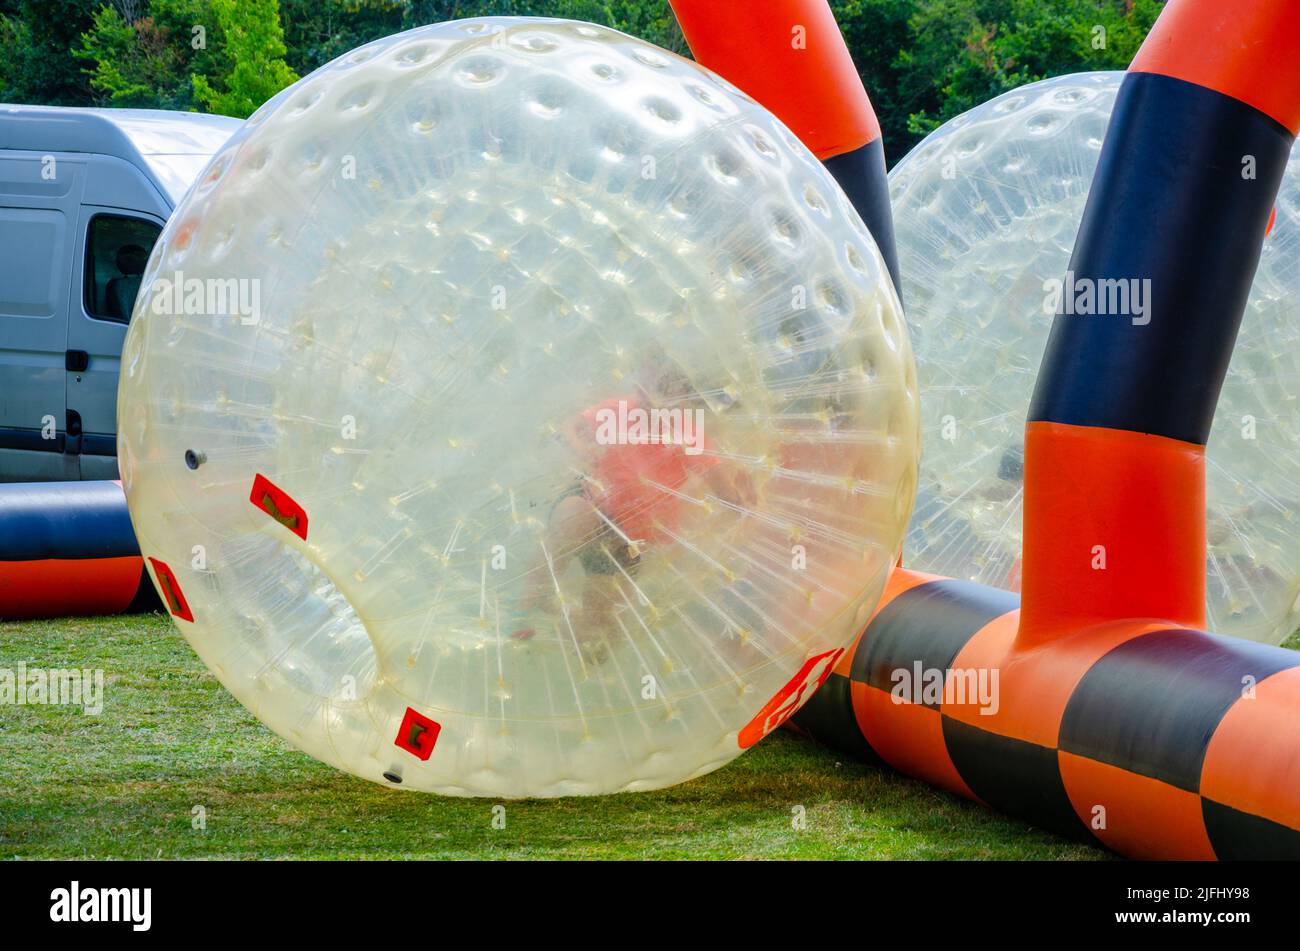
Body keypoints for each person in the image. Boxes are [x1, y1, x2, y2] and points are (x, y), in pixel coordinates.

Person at [510, 385, 755, 666]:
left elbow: (725, 495)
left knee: (596, 630)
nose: (645, 400)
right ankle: (523, 610)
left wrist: (741, 499)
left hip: (628, 539)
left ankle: (573, 633)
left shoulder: (689, 433)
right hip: (593, 504)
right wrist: (581, 448)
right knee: (571, 519)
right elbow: (572, 425)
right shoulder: (621, 410)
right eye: (645, 390)